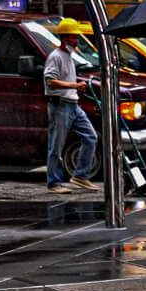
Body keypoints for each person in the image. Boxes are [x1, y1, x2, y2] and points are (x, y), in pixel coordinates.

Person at [42, 17, 97, 193]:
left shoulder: (69, 56)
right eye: (74, 37)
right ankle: (54, 183)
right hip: (60, 106)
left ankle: (80, 175)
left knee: (91, 137)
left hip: (73, 105)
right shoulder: (56, 57)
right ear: (64, 38)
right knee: (56, 146)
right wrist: (75, 86)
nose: (77, 41)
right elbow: (50, 82)